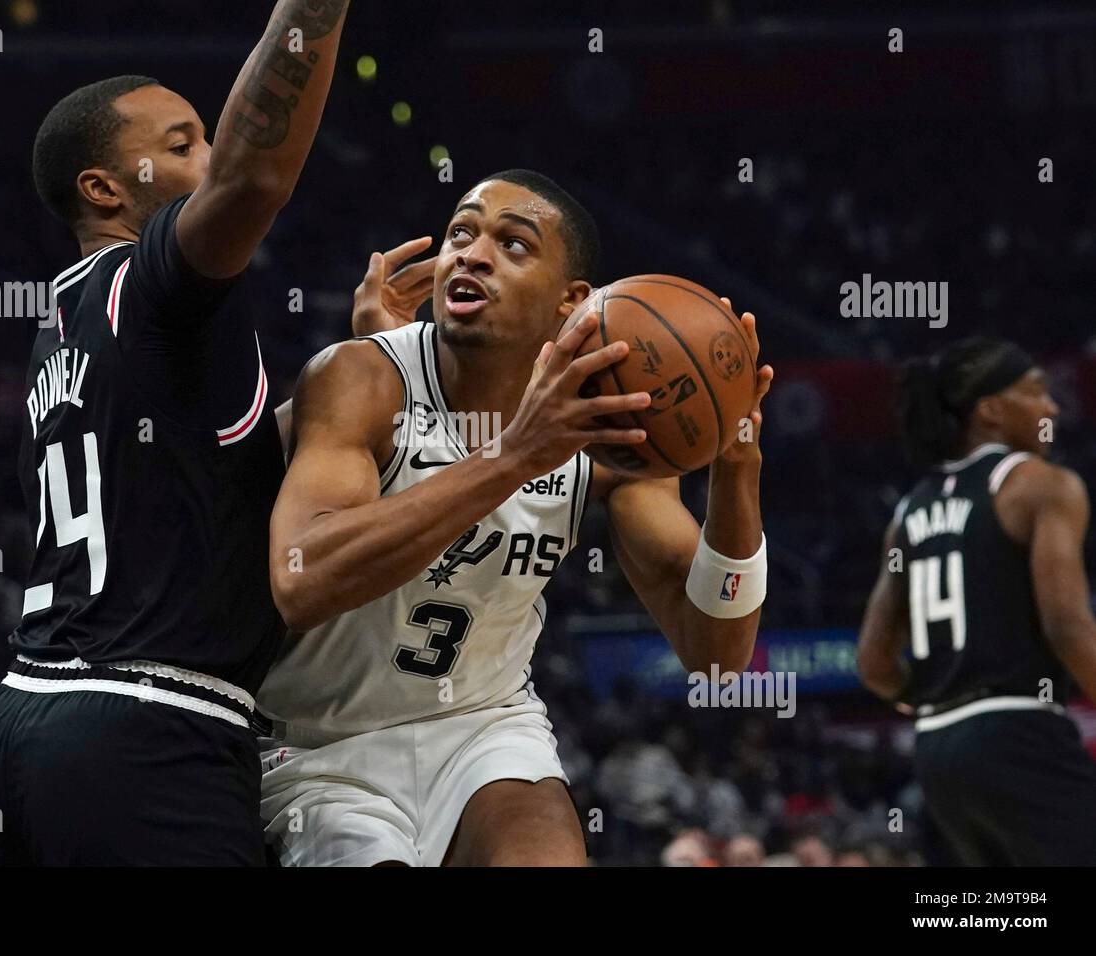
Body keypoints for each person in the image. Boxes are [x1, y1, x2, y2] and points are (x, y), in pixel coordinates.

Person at [257, 169, 772, 866]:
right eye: (461, 233)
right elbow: (301, 581)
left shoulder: (610, 427)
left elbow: (718, 653)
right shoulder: (364, 379)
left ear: (573, 304)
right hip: (319, 744)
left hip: (481, 726)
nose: (470, 254)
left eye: (513, 243)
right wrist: (514, 457)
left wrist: (737, 472)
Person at [0, 0, 352, 866]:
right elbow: (254, 180)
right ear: (105, 189)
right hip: (146, 732)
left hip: (27, 723)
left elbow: (208, 473)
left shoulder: (61, 322)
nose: (212, 158)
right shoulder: (152, 290)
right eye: (183, 146)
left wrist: (365, 367)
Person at [858, 337, 1096, 866]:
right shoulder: (1040, 486)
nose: (1052, 408)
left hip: (936, 747)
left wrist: (945, 695)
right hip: (1018, 730)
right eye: (1036, 392)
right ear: (991, 410)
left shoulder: (908, 511)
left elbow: (874, 663)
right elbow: (1068, 627)